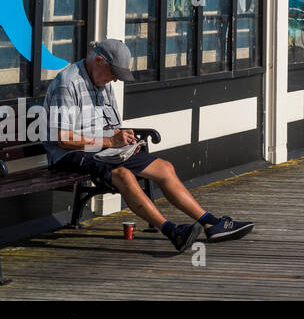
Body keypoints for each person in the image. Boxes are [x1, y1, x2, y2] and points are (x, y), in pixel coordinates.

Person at [42, 39, 255, 253]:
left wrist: (123, 138)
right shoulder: (67, 84)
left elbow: (113, 127)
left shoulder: (102, 82)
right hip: (72, 154)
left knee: (165, 168)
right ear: (99, 61)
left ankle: (211, 223)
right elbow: (63, 139)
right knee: (124, 175)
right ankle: (173, 231)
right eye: (113, 73)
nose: (114, 80)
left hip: (105, 149)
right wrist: (108, 141)